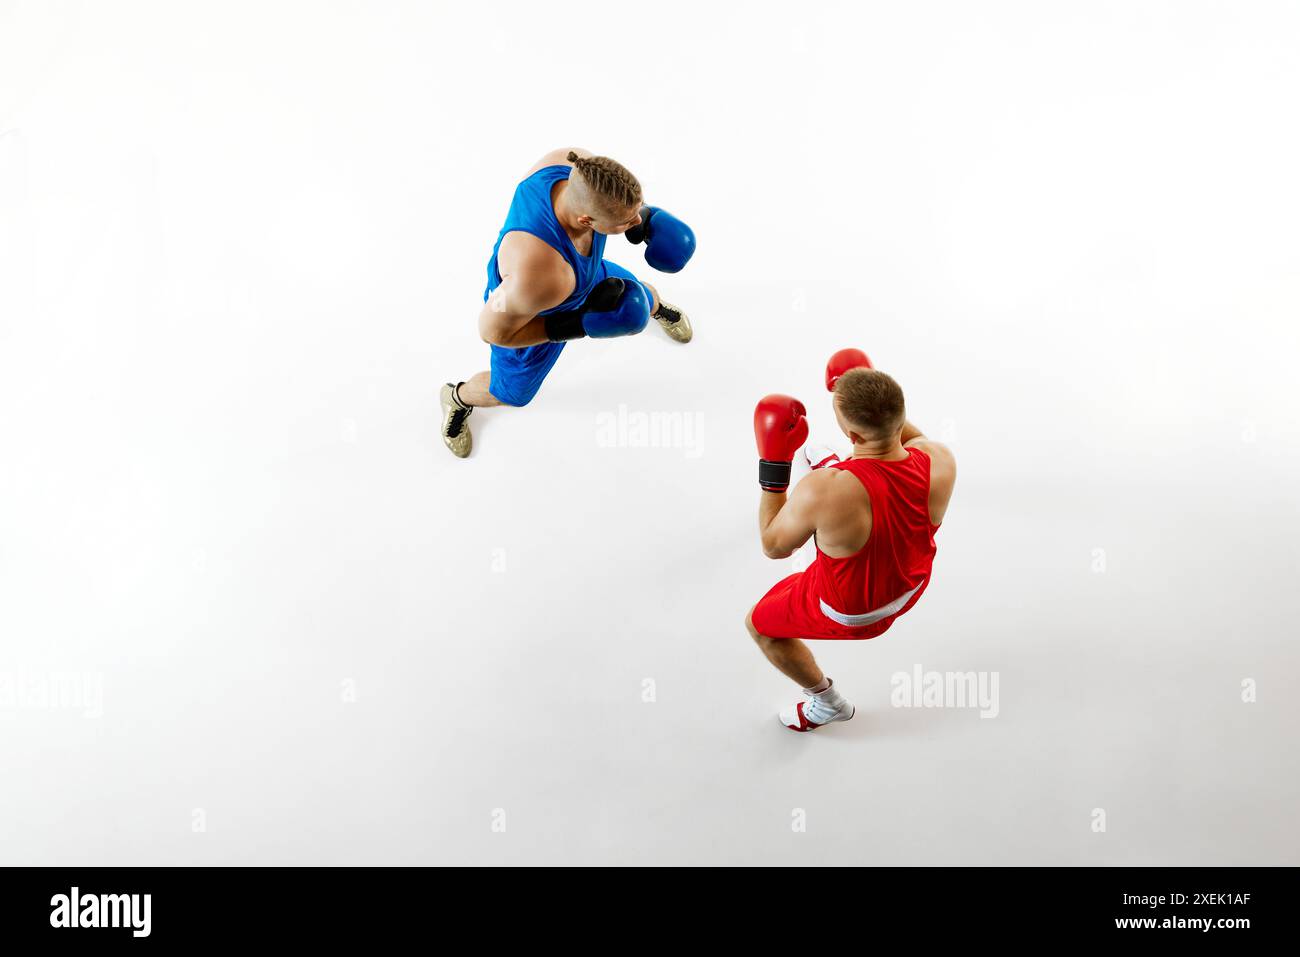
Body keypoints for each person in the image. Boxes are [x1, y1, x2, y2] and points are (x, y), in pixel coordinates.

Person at [748, 350, 957, 732]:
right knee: (852, 495)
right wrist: (869, 391)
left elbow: (773, 544)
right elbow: (901, 439)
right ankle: (845, 479)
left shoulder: (821, 492)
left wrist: (774, 461)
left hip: (852, 613)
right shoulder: (940, 458)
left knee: (760, 627)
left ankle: (826, 704)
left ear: (852, 435)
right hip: (912, 584)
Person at [439, 147, 696, 457]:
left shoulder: (570, 162)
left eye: (636, 213)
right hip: (530, 310)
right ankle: (458, 398)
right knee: (512, 394)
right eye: (627, 222)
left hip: (582, 275)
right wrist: (579, 323)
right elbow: (491, 330)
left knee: (640, 297)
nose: (636, 223)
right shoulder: (541, 275)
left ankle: (657, 308)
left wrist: (639, 217)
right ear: (586, 220)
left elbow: (612, 203)